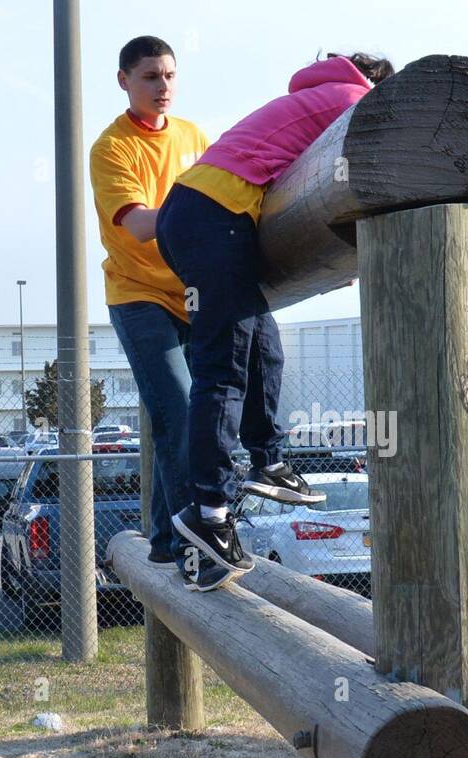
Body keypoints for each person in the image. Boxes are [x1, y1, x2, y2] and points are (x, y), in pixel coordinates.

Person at [158, 52, 394, 580]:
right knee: (223, 370)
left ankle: (268, 460)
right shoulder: (357, 101)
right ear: (380, 86)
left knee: (263, 350)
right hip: (212, 219)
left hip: (199, 215)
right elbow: (348, 177)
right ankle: (210, 512)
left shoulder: (312, 97)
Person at [89, 36, 231, 591]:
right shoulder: (112, 149)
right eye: (150, 76)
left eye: (170, 75)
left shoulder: (194, 137)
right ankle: (191, 545)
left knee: (200, 411)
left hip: (192, 291)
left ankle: (164, 534)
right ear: (123, 80)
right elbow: (143, 225)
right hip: (138, 293)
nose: (163, 86)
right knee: (176, 409)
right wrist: (201, 218)